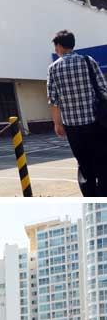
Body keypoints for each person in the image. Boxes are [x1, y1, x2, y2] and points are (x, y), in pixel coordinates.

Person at [47, 29, 107, 196]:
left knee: (84, 164)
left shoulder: (53, 68)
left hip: (72, 127)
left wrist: (57, 124)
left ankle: (90, 196)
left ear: (59, 46)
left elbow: (53, 100)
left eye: (55, 47)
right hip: (96, 122)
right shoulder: (88, 61)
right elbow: (103, 89)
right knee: (102, 162)